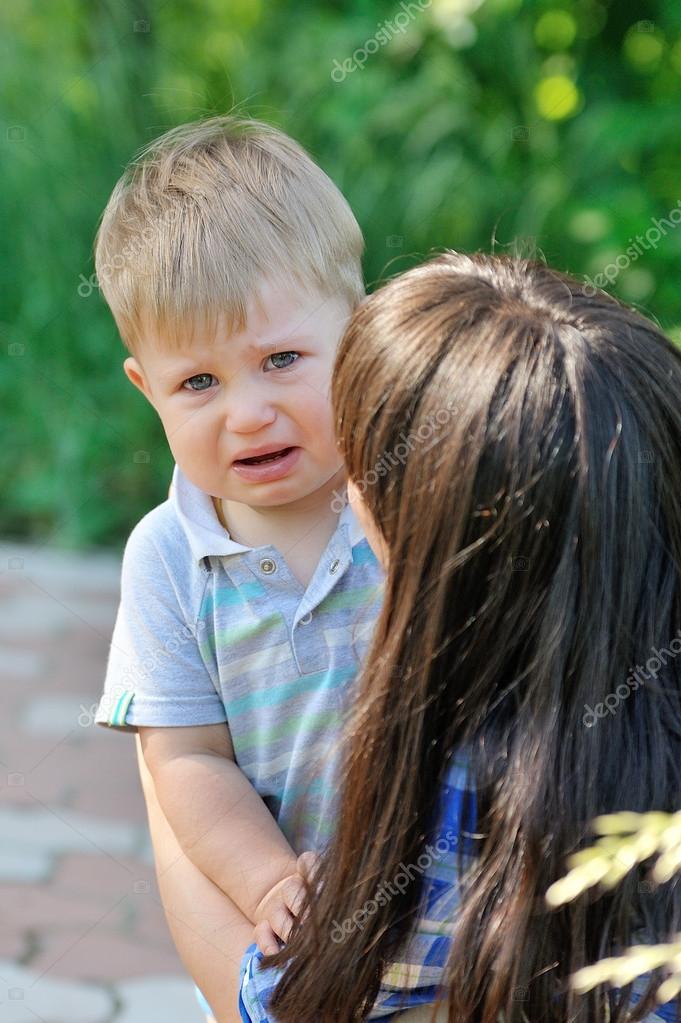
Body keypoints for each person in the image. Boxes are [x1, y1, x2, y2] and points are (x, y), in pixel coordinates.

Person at [235, 253, 681, 1023]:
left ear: (421, 537)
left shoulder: (439, 795)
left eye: (363, 475)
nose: (344, 493)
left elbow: (280, 999)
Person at [92, 113, 450, 1023]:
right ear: (146, 388)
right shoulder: (169, 559)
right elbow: (190, 762)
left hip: (463, 901)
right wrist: (266, 883)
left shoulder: (414, 492)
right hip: (310, 931)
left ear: (361, 335)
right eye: (199, 383)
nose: (246, 414)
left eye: (281, 360)